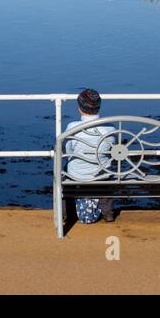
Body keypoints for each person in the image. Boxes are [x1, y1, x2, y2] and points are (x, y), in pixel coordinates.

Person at [64, 88, 117, 225]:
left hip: (78, 175)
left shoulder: (72, 127)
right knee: (107, 171)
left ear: (79, 108)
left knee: (63, 172)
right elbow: (113, 150)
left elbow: (68, 150)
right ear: (99, 106)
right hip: (102, 175)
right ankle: (108, 212)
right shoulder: (110, 128)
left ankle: (66, 212)